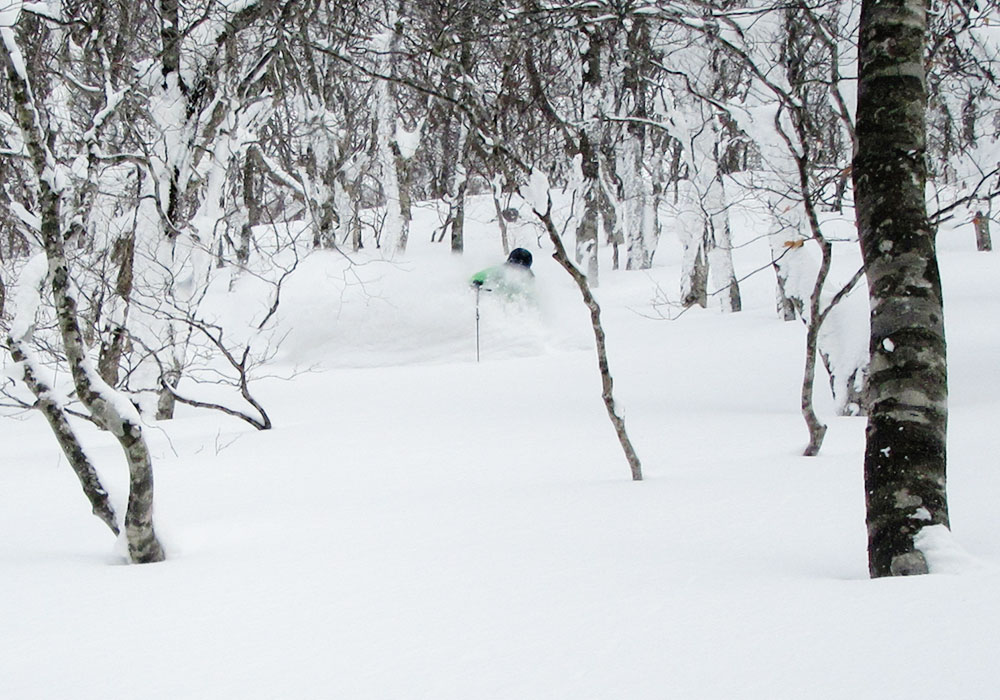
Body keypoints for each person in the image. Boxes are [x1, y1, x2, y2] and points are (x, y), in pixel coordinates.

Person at [470, 248, 535, 299]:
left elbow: (534, 297)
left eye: (521, 268)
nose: (517, 270)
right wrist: (477, 282)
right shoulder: (498, 271)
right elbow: (478, 276)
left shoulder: (529, 281)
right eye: (514, 266)